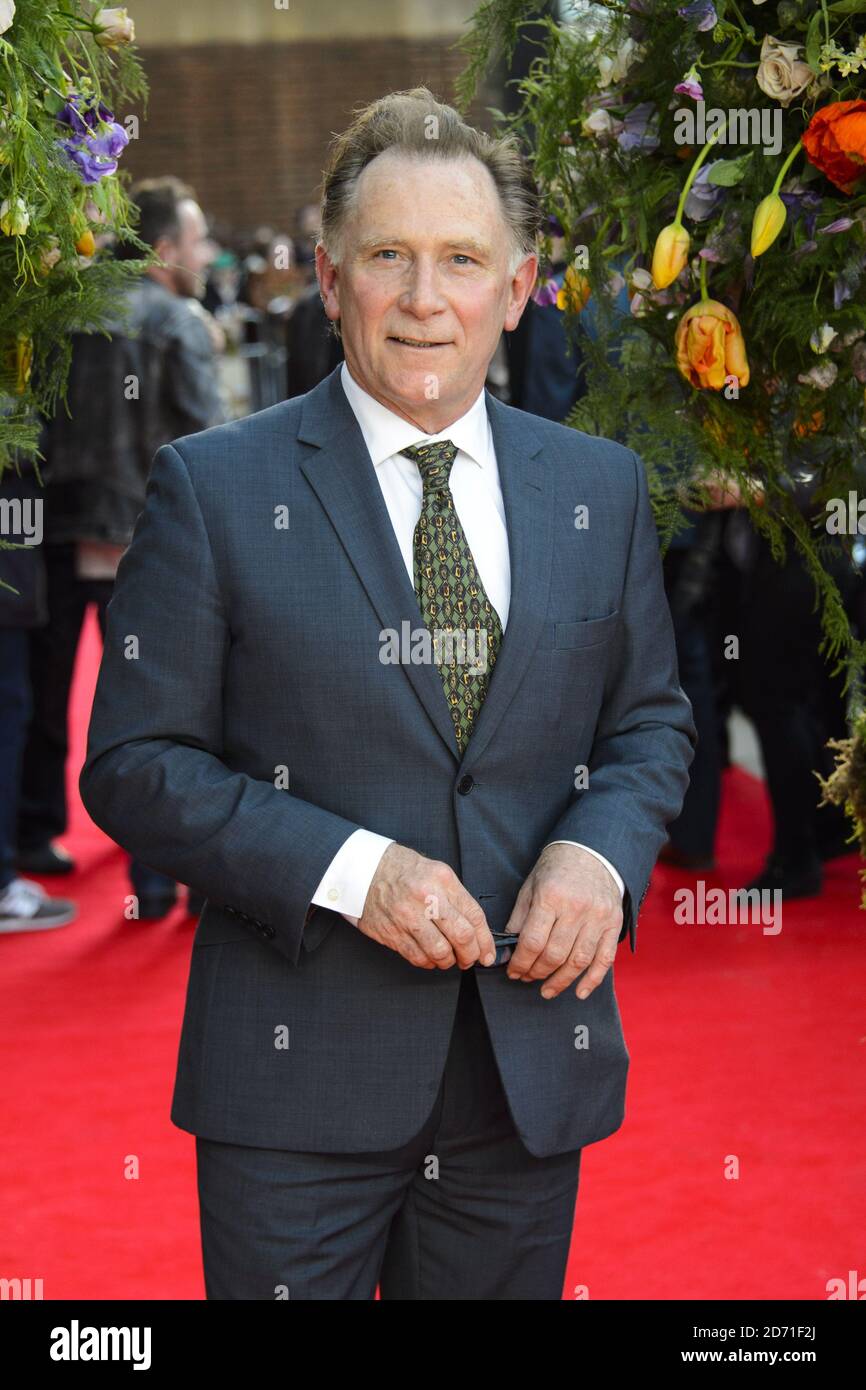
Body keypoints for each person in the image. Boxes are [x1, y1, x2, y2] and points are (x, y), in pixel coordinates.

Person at [79, 89, 696, 1300]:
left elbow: (649, 720)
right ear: (327, 277)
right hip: (294, 1085)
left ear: (515, 291)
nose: (425, 300)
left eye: (461, 261)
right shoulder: (212, 488)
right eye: (388, 259)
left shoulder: (600, 487)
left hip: (523, 1079)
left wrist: (601, 856)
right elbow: (135, 760)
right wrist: (356, 870)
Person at [17, 176, 224, 918]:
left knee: (46, 692)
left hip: (60, 530)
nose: (207, 252)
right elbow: (212, 438)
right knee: (160, 710)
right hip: (149, 538)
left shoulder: (65, 318)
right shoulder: (177, 323)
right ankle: (159, 873)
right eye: (198, 239)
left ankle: (33, 836)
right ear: (166, 249)